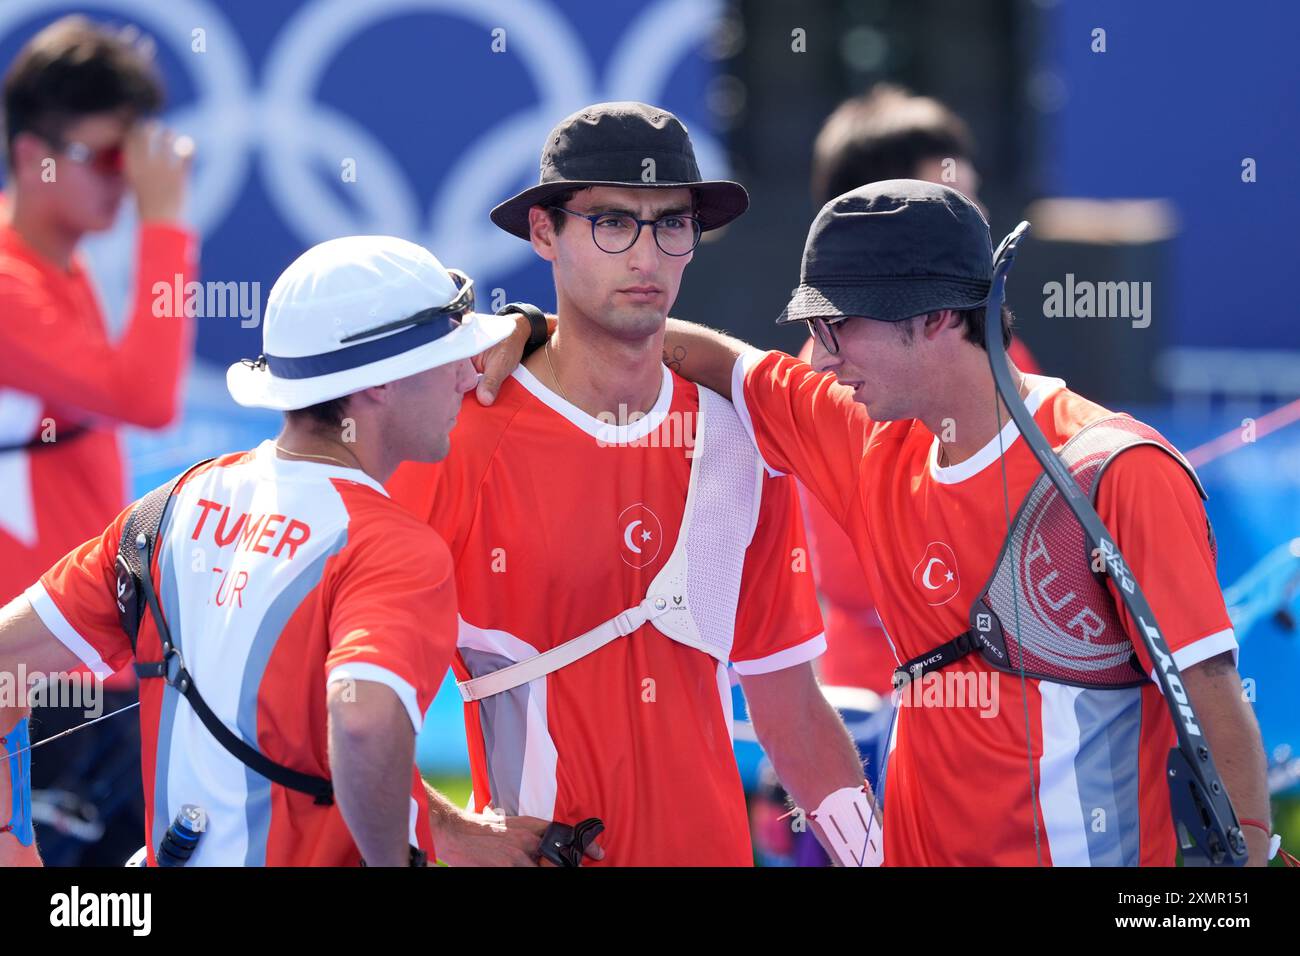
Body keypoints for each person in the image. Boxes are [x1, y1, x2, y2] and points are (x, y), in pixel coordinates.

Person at [658, 179, 1274, 866]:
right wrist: (527, 329)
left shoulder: (1118, 472)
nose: (822, 356)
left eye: (840, 325)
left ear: (938, 316)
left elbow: (1210, 692)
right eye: (813, 330)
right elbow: (702, 357)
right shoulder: (859, 430)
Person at [388, 102, 878, 866]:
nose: (646, 256)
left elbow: (792, 712)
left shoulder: (736, 436)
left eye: (671, 224)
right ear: (544, 232)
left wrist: (874, 858)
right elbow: (351, 697)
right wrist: (447, 831)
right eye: (612, 222)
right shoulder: (458, 434)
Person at [0, 235, 563, 866]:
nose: (467, 375)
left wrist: (15, 846)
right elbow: (361, 723)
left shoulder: (167, 511)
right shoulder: (392, 549)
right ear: (379, 385)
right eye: (451, 355)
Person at [0, 15, 196, 863]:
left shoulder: (59, 274)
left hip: (86, 663)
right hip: (32, 675)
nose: (124, 182)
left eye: (132, 160)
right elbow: (149, 397)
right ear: (29, 150)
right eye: (102, 159)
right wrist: (168, 222)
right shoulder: (8, 283)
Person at [804, 83, 1040, 696]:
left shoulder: (991, 340)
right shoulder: (838, 374)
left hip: (1001, 707)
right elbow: (857, 581)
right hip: (877, 711)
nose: (974, 218)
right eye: (950, 196)